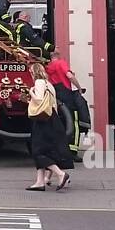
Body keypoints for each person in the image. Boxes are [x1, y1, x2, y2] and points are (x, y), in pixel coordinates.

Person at [25, 62, 72, 190]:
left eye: (31, 71)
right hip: (52, 118)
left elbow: (39, 100)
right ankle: (40, 182)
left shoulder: (39, 83)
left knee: (38, 151)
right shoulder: (49, 85)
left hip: (42, 119)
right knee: (43, 150)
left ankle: (60, 174)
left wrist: (31, 93)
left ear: (34, 72)